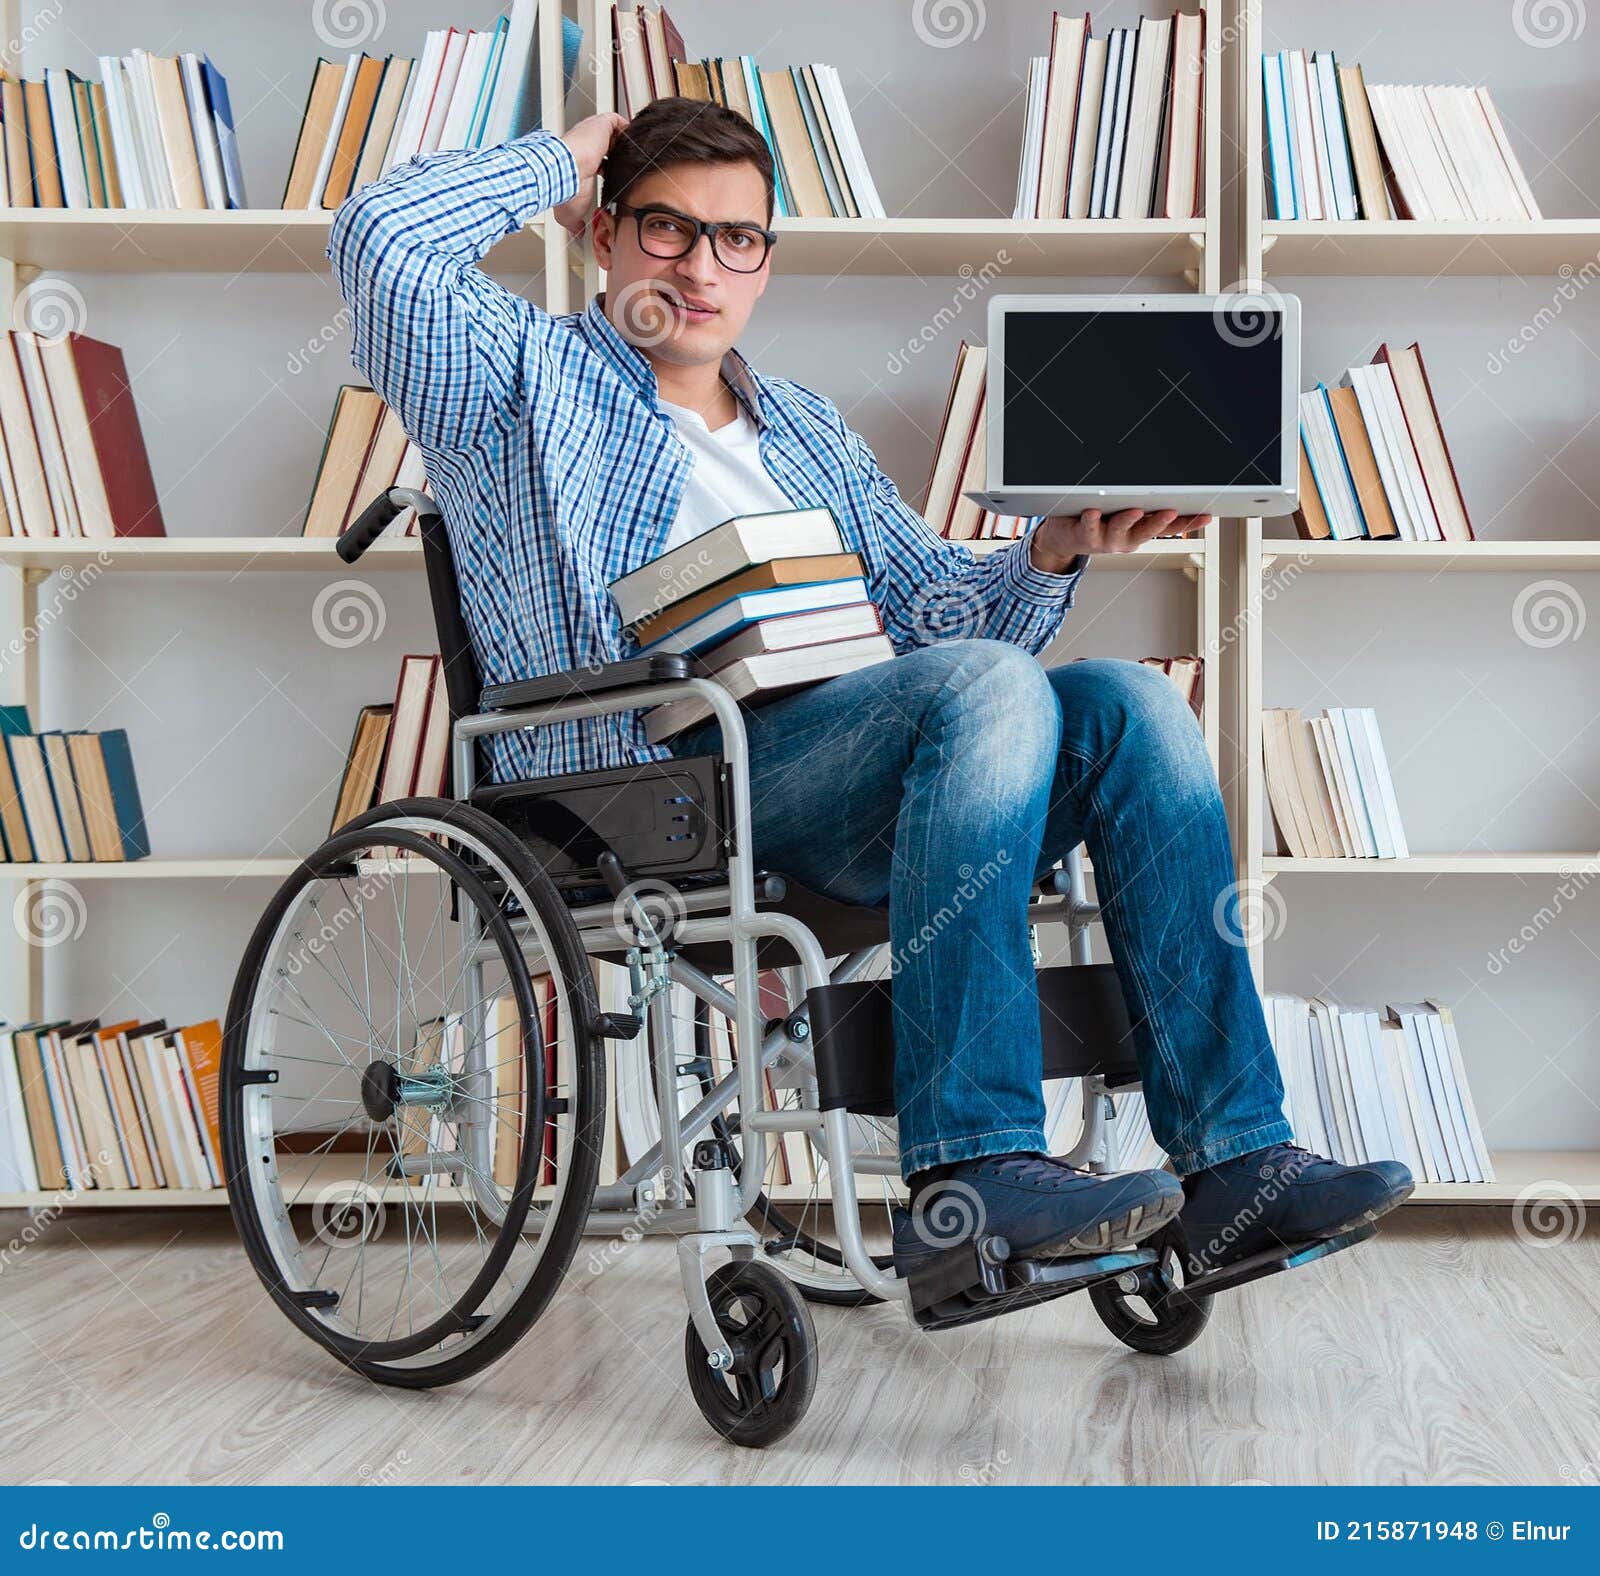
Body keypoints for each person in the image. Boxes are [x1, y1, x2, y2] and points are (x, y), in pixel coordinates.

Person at [328, 96, 1412, 1276]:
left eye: (735, 238)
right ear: (602, 232)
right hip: (644, 786)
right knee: (983, 688)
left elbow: (931, 607)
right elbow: (379, 235)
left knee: (1131, 706)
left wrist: (1049, 551)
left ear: (765, 262)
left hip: (853, 768)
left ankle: (1236, 1164)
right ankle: (976, 1168)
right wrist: (569, 150)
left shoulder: (801, 426)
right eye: (665, 227)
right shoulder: (508, 380)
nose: (699, 266)